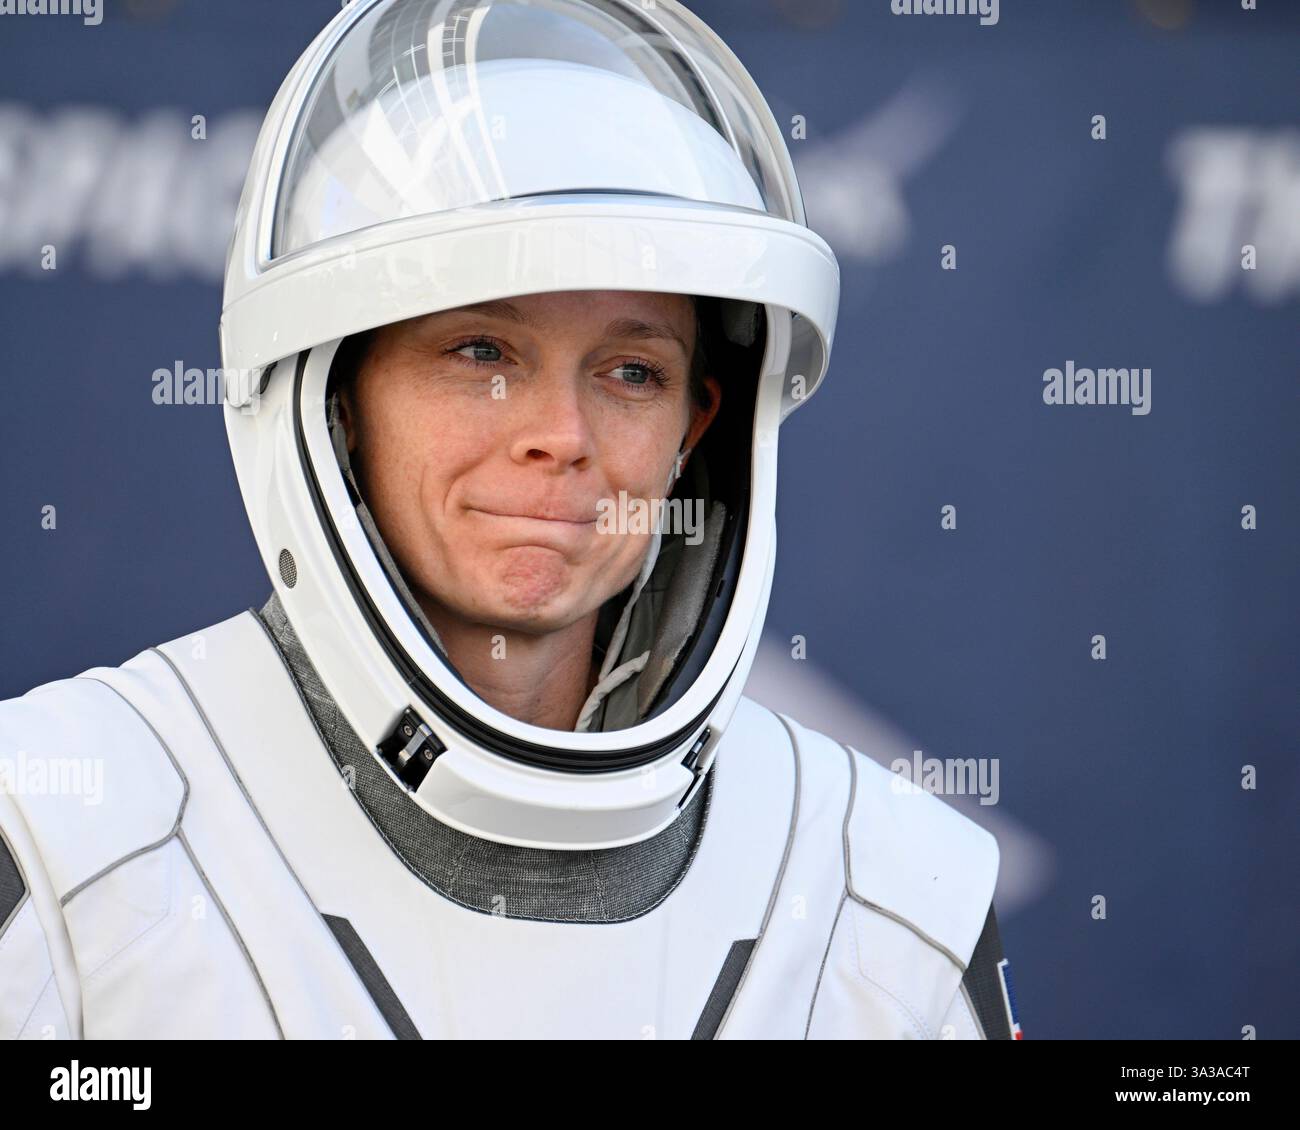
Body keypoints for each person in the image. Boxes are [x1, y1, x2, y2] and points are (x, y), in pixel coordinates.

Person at [0, 0, 1020, 1040]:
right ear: (337, 396)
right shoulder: (66, 831)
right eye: (482, 352)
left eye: (631, 370)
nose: (560, 435)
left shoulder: (889, 894)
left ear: (695, 428)